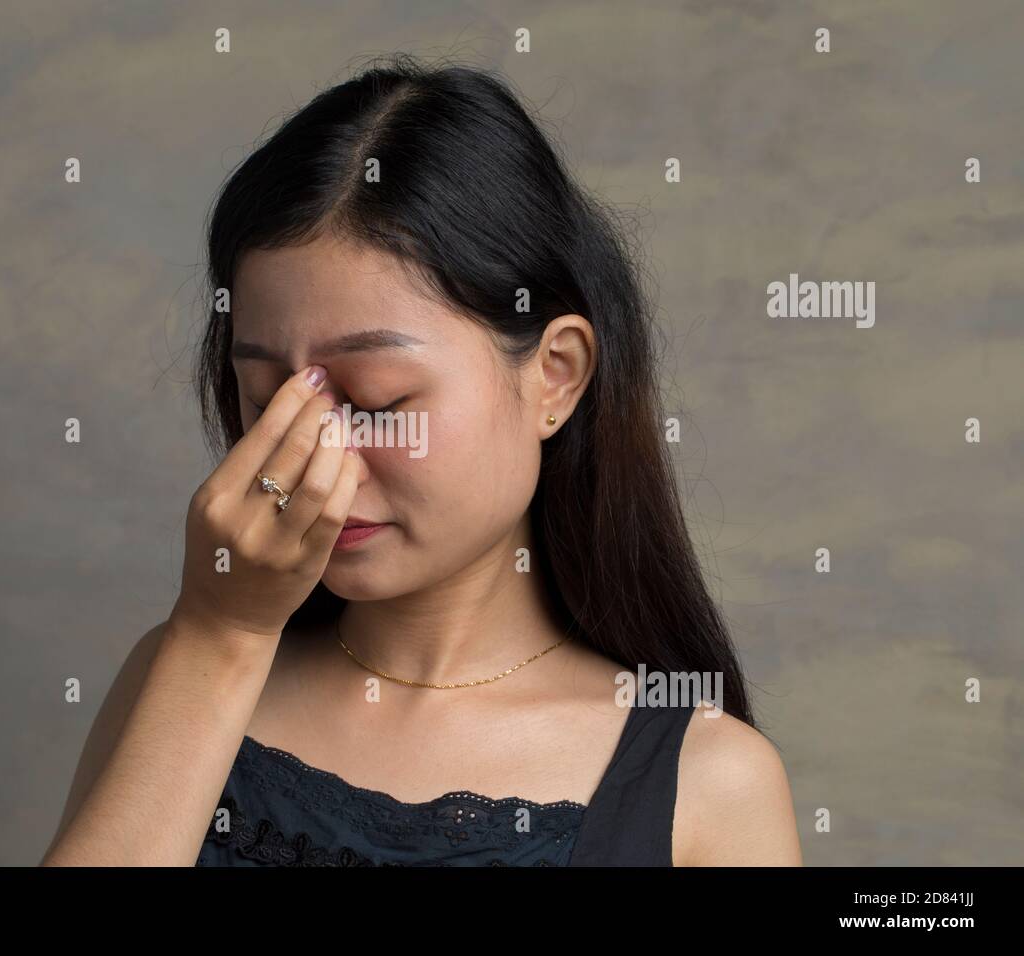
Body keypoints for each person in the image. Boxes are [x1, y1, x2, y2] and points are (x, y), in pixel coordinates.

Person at [41, 54, 802, 867]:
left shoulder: (710, 786)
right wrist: (220, 635)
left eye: (377, 401)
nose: (317, 462)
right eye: (270, 401)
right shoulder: (181, 677)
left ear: (556, 375)